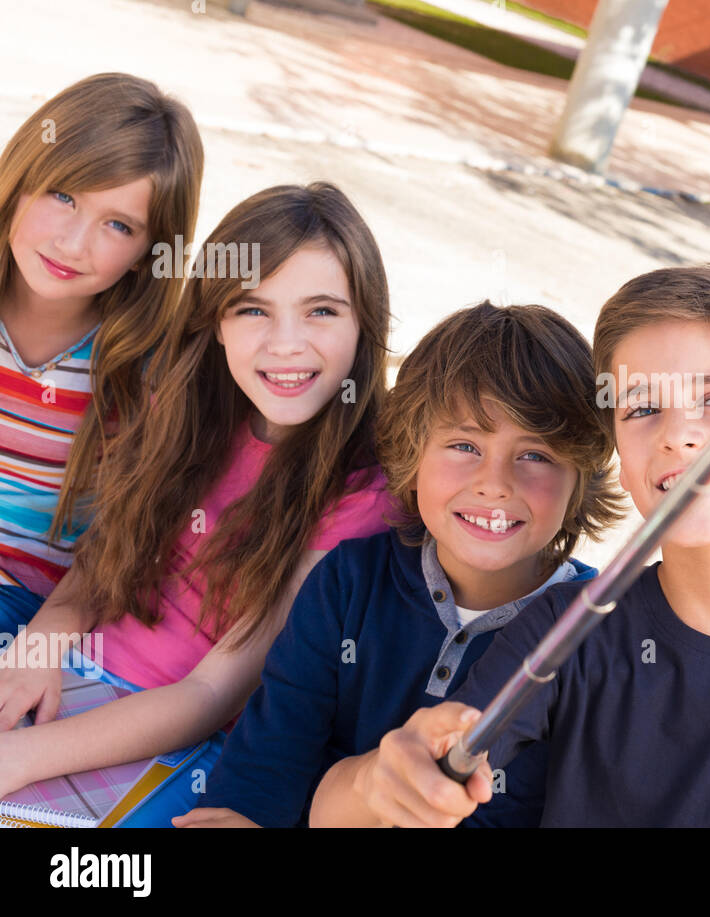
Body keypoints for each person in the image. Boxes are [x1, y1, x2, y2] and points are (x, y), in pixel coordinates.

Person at [311, 263, 710, 826]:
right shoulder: (564, 632)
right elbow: (376, 791)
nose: (680, 434)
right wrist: (382, 778)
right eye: (643, 407)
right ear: (618, 450)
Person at [0, 183, 396, 825]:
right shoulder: (187, 410)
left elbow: (213, 693)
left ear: (365, 323)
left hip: (179, 740)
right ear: (214, 322)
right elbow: (105, 559)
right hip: (72, 671)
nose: (286, 344)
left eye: (321, 311)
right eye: (252, 310)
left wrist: (20, 759)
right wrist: (36, 652)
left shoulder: (360, 492)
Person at [174, 301, 625, 827]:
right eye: (463, 444)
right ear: (412, 458)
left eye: (536, 455)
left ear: (581, 481)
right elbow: (271, 753)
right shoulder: (348, 583)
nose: (496, 482)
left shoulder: (591, 638)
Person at [0, 73, 203, 635]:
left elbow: (120, 547)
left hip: (28, 615)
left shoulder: (146, 372)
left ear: (147, 253)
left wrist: (40, 648)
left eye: (117, 225)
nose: (73, 242)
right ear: (21, 179)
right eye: (63, 196)